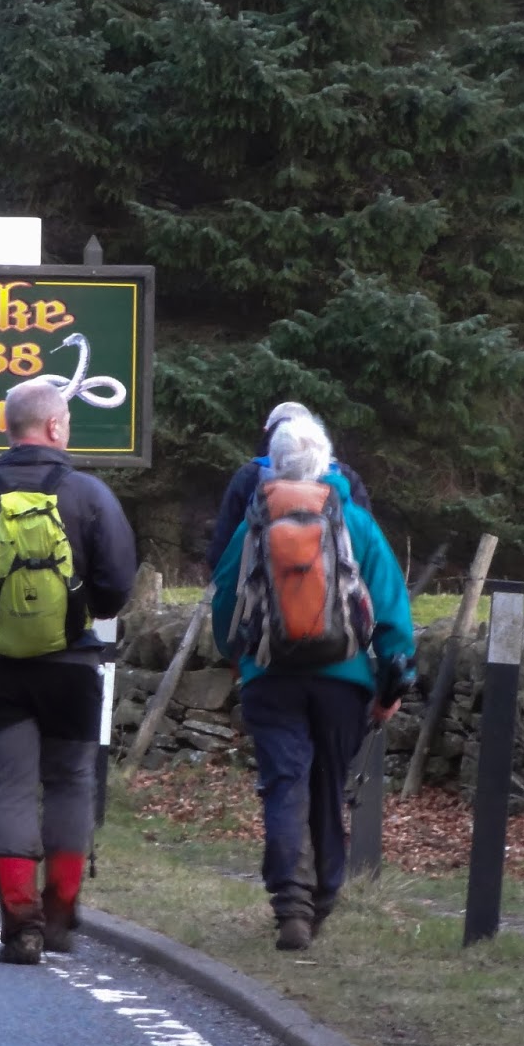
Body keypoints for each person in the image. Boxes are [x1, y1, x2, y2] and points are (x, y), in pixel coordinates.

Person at [0, 378, 138, 965]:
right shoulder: (89, 495)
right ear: (54, 427)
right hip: (71, 666)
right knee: (70, 780)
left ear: (9, 428)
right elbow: (117, 588)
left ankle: (22, 927)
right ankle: (63, 915)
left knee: (11, 786)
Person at [210, 413, 415, 952]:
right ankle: (323, 895)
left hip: (270, 676)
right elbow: (392, 608)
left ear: (272, 465)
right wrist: (392, 684)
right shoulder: (355, 522)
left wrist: (236, 657)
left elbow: (226, 598)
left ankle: (290, 905)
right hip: (343, 679)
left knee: (284, 783)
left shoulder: (253, 523)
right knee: (327, 784)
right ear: (325, 463)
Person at [203, 401, 371, 572]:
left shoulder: (250, 478)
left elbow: (221, 555)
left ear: (266, 432)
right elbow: (376, 567)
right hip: (337, 593)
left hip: (267, 593)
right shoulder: (345, 477)